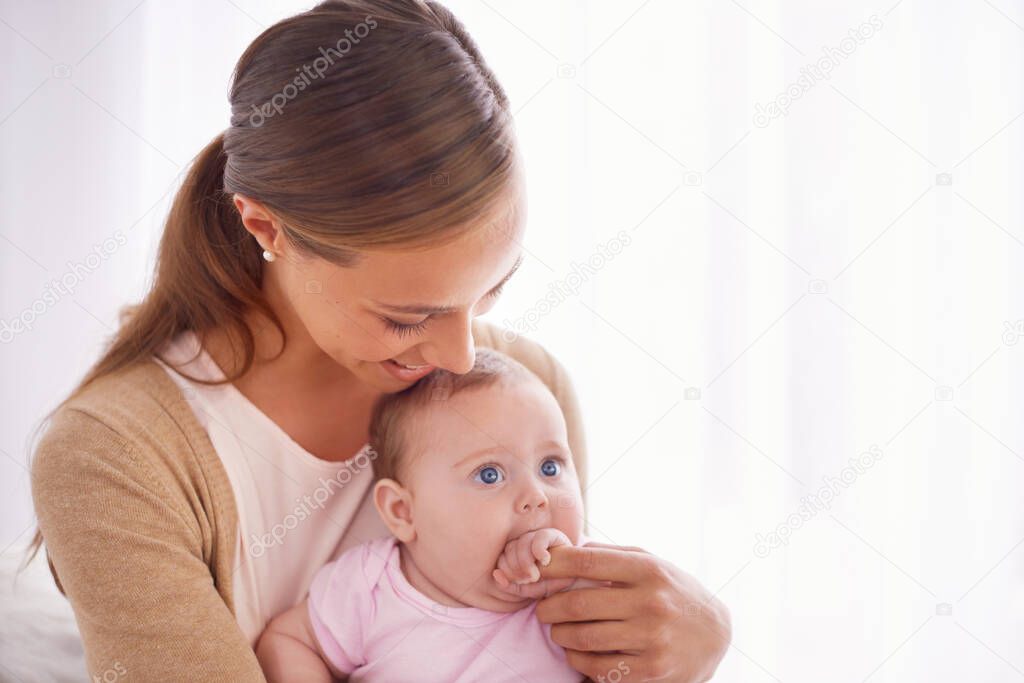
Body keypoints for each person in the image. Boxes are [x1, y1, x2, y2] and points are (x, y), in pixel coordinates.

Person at [28, 1, 731, 681]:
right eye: (406, 316)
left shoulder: (525, 384)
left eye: (489, 289)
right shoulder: (115, 459)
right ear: (266, 227)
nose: (462, 354)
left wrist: (691, 644)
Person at [256, 348, 599, 681]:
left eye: (550, 467)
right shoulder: (370, 587)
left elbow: (642, 651)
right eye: (489, 475)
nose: (537, 497)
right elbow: (290, 641)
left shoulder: (587, 586)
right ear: (402, 512)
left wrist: (577, 579)